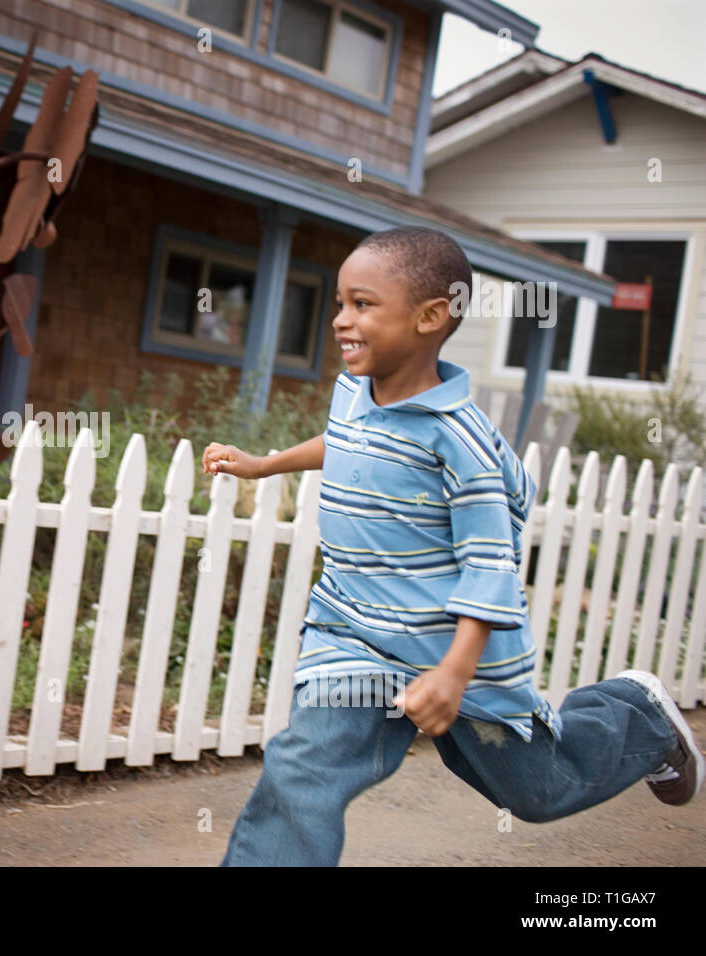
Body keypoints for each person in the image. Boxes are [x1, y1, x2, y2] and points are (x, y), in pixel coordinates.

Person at [202, 225, 703, 866]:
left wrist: (455, 672)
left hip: (450, 651)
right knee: (303, 770)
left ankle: (640, 720)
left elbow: (489, 567)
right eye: (338, 303)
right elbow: (348, 443)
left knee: (539, 790)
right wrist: (264, 464)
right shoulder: (355, 392)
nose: (338, 321)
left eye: (362, 304)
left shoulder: (460, 445)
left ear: (430, 318)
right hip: (351, 634)